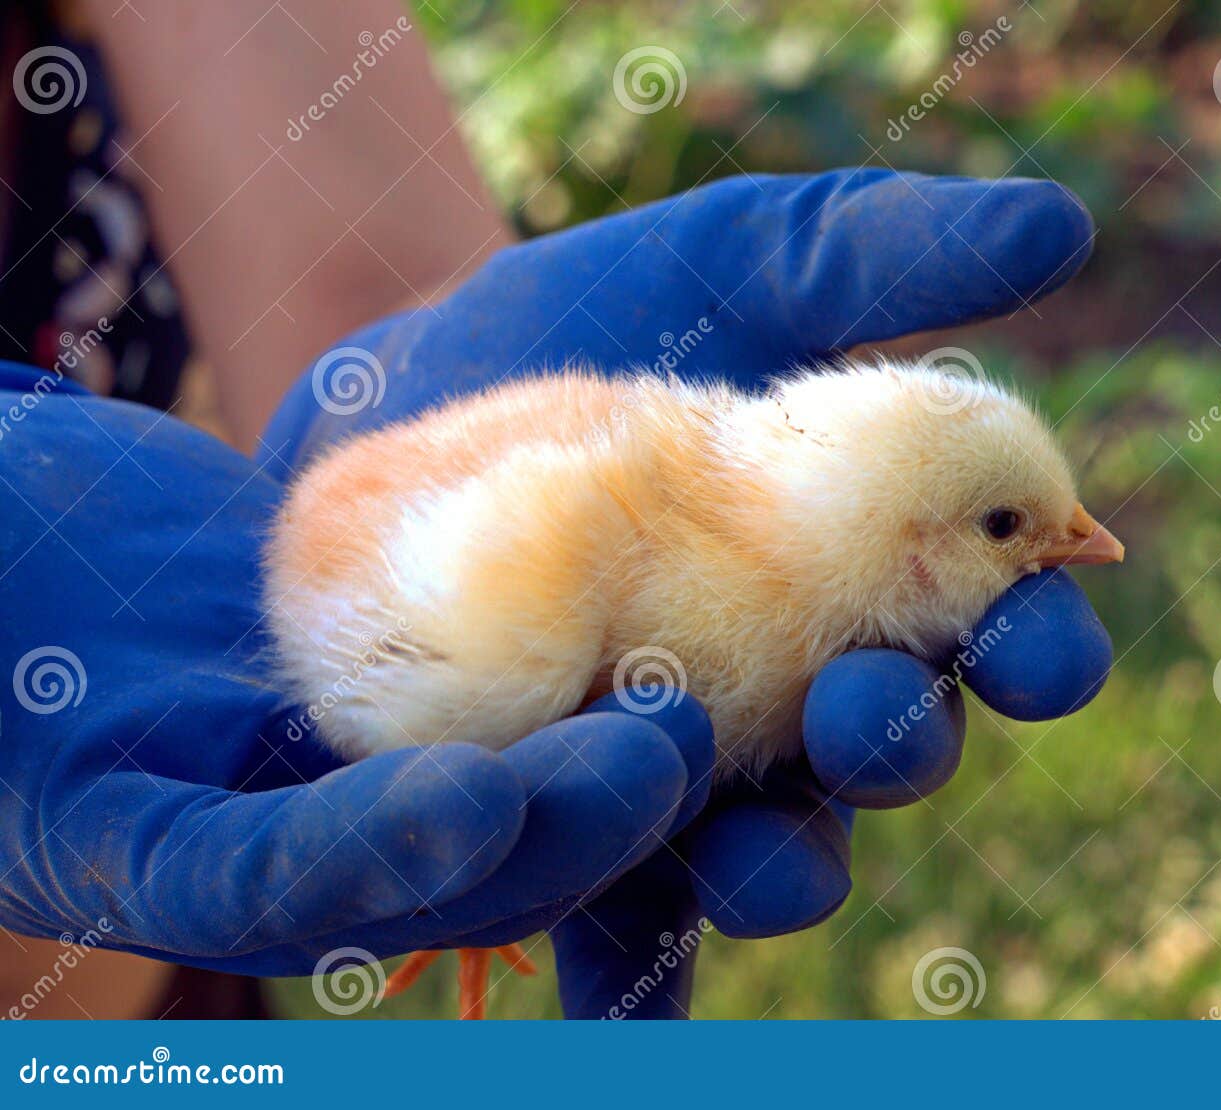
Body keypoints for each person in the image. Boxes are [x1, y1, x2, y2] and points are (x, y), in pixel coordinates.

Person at [0, 0, 1107, 1019]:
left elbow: (355, 278)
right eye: (1008, 527)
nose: (1086, 543)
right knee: (507, 673)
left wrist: (398, 335)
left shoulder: (706, 523)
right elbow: (392, 620)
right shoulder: (602, 568)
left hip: (138, 986)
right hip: (232, 719)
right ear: (908, 554)